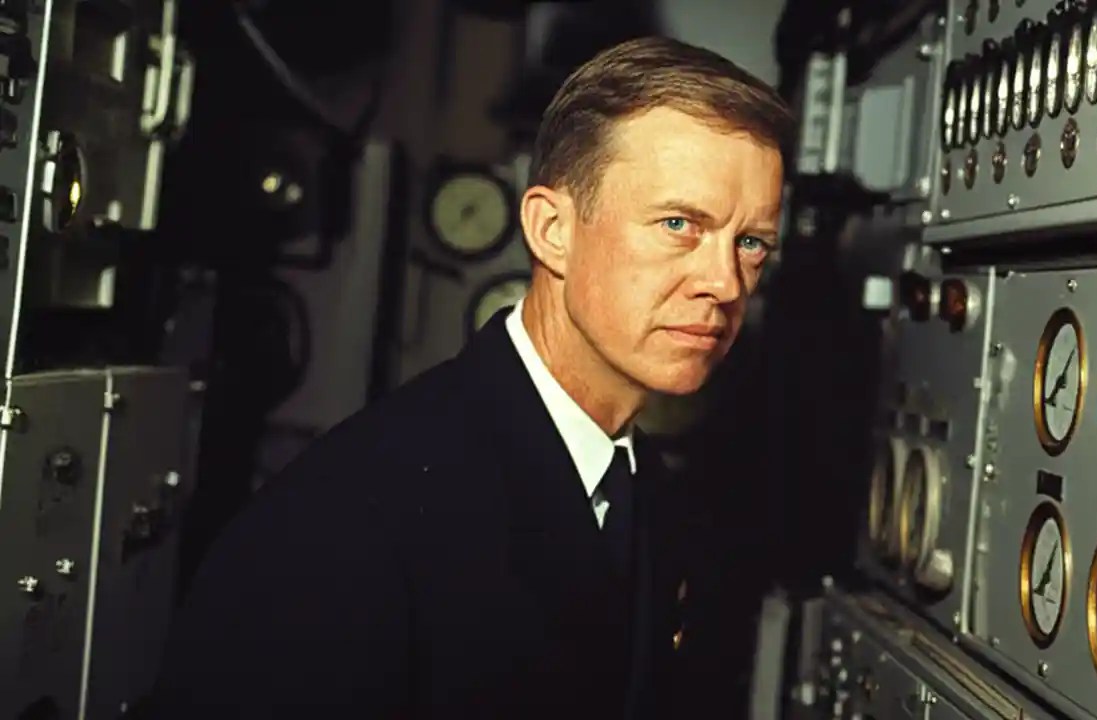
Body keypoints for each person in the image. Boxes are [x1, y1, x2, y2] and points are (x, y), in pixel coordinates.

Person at [149, 35, 792, 719]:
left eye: (750, 242)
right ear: (552, 230)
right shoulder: (348, 524)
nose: (725, 283)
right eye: (678, 224)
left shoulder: (649, 498)